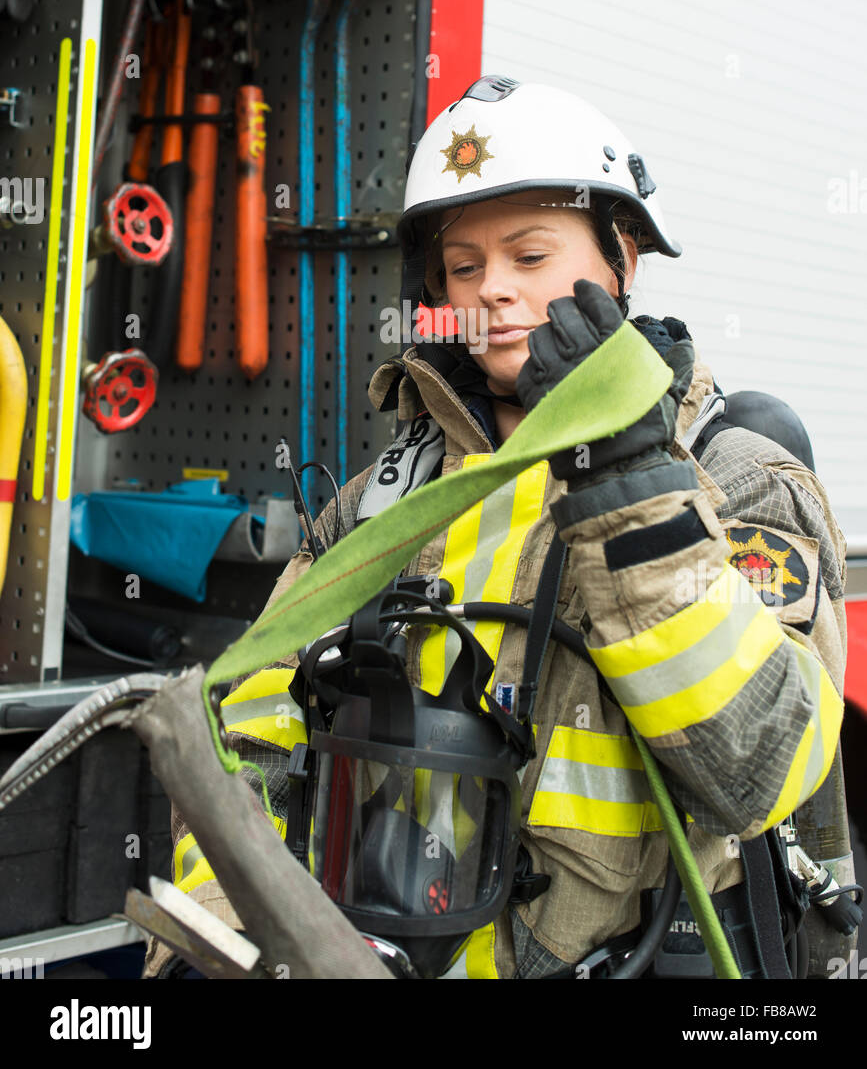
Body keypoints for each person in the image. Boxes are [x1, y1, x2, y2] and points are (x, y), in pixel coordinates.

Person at [144, 76, 848, 980]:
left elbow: (761, 769)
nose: (494, 295)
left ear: (622, 261)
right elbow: (247, 731)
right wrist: (227, 942)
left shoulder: (732, 477)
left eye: (529, 255)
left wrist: (628, 490)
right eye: (465, 268)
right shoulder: (387, 498)